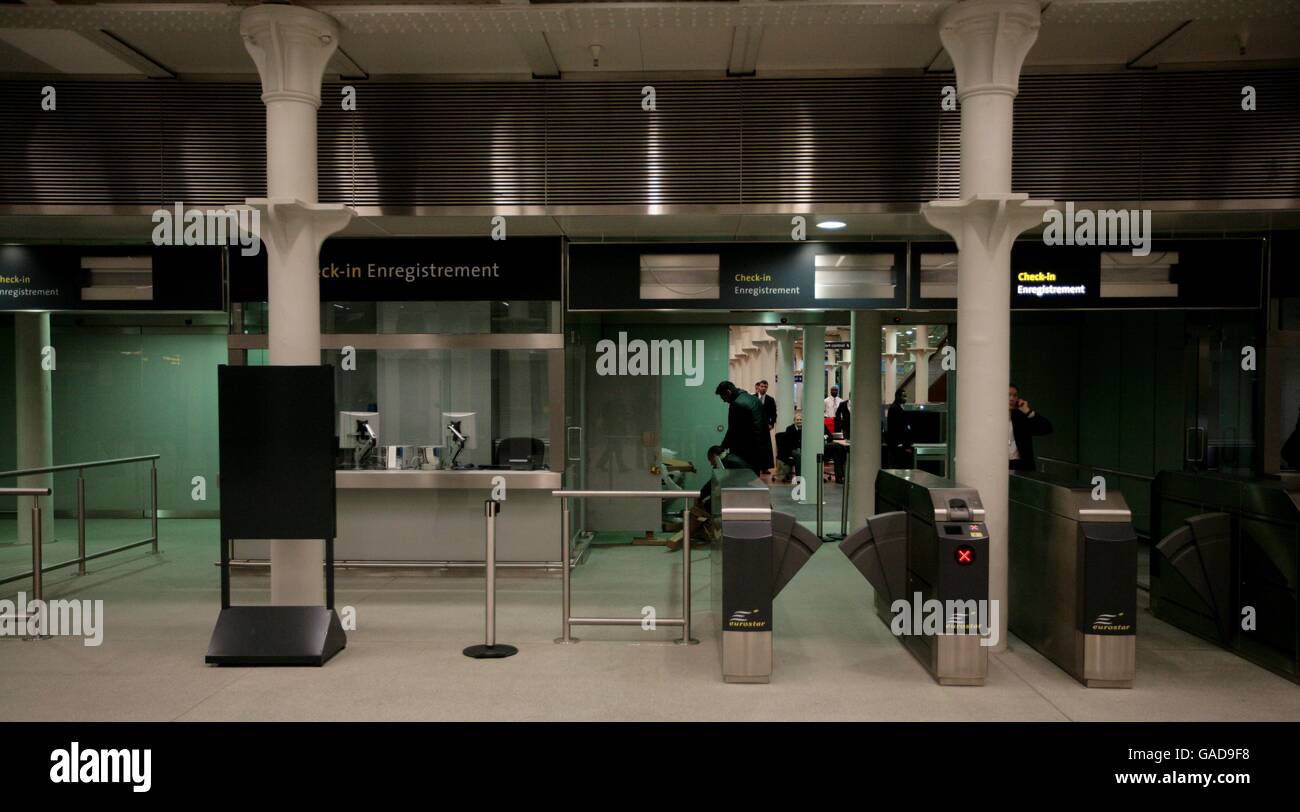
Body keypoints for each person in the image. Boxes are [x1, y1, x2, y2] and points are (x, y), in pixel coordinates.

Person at [715, 380, 766, 475]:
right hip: (757, 451)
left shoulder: (736, 404)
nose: (724, 400)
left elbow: (733, 430)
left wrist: (722, 447)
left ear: (728, 392)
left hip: (744, 453)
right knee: (754, 482)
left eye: (723, 397)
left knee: (742, 482)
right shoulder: (754, 400)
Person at [1009, 383, 1053, 471]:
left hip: (1020, 466)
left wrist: (1028, 411)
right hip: (998, 465)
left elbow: (1047, 428)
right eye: (1008, 395)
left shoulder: (1021, 418)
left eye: (1015, 395)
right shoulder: (993, 420)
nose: (1012, 398)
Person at [752, 380, 777, 475]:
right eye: (762, 386)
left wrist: (771, 424)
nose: (763, 388)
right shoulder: (753, 398)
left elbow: (774, 414)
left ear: (767, 388)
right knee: (755, 447)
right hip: (754, 426)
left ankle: (765, 467)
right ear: (758, 387)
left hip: (765, 426)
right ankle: (756, 467)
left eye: (765, 387)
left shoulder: (770, 399)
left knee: (766, 447)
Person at [885, 389, 912, 468]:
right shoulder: (896, 409)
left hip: (897, 444)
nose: (906, 398)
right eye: (904, 396)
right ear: (898, 396)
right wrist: (906, 445)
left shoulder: (895, 408)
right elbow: (898, 428)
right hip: (898, 445)